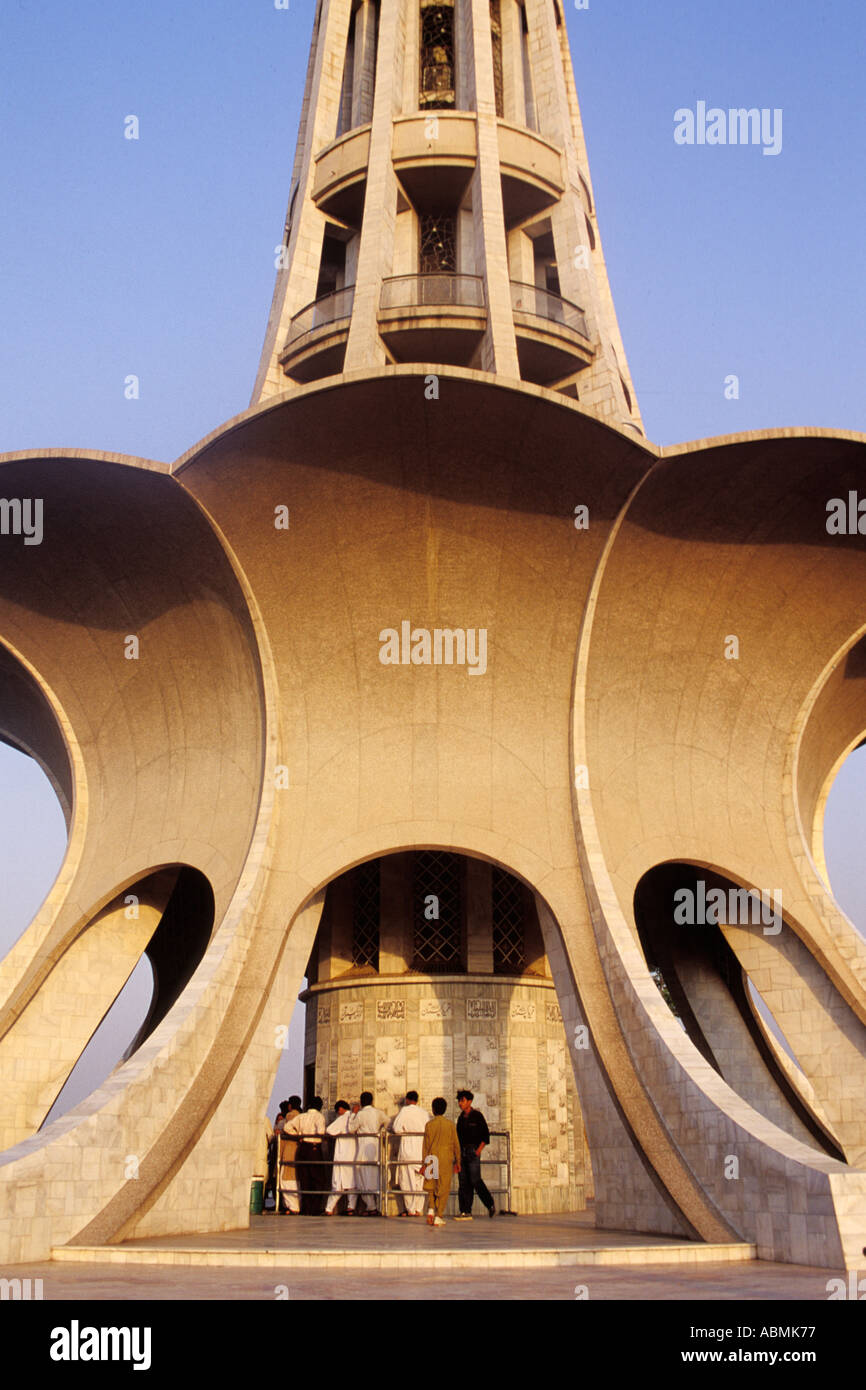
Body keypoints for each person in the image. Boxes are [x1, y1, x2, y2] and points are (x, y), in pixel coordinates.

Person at [420, 1097, 461, 1227]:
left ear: (433, 1110)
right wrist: (458, 1160)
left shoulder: (429, 1125)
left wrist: (424, 1163)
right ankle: (438, 1215)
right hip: (445, 1158)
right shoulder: (450, 1125)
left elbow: (425, 1146)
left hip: (432, 1157)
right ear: (445, 1109)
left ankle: (431, 1208)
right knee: (443, 1187)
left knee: (431, 1184)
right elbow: (456, 1144)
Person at [455, 1089, 495, 1219]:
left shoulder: (477, 1116)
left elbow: (485, 1136)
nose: (460, 1103)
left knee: (475, 1180)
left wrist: (478, 1151)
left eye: (463, 1100)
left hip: (473, 1151)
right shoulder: (460, 1118)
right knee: (463, 1182)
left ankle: (490, 1204)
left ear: (469, 1101)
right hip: (462, 1152)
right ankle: (465, 1210)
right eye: (459, 1101)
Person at [348, 1091, 389, 1215]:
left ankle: (371, 1206)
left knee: (363, 1176)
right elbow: (388, 1122)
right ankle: (375, 1206)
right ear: (372, 1101)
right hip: (375, 1144)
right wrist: (381, 1131)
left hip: (363, 1144)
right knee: (375, 1175)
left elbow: (351, 1129)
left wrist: (353, 1115)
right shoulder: (378, 1112)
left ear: (361, 1102)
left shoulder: (360, 1114)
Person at [391, 1091, 430, 1216]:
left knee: (406, 1181)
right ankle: (419, 1209)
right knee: (420, 1181)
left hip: (408, 1148)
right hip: (421, 1150)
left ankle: (411, 1209)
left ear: (407, 1100)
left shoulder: (404, 1111)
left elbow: (396, 1129)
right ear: (417, 1100)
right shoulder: (424, 1113)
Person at [289, 1096, 327, 1214]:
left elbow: (287, 1127)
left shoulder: (302, 1116)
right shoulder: (319, 1117)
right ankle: (314, 1209)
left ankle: (306, 1208)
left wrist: (298, 1136)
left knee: (304, 1179)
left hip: (302, 1148)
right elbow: (320, 1132)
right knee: (317, 1179)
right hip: (314, 1148)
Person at [325, 1100, 358, 1216]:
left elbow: (329, 1130)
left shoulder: (343, 1118)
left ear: (340, 1109)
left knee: (338, 1184)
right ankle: (351, 1207)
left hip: (342, 1154)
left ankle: (329, 1209)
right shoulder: (355, 1117)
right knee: (352, 1184)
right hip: (353, 1154)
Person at [278, 1096, 303, 1214]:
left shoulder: (290, 1116)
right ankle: (295, 1205)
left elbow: (287, 1129)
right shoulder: (301, 1115)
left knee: (286, 1178)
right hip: (298, 1148)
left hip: (289, 1148)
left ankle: (293, 1206)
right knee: (295, 1177)